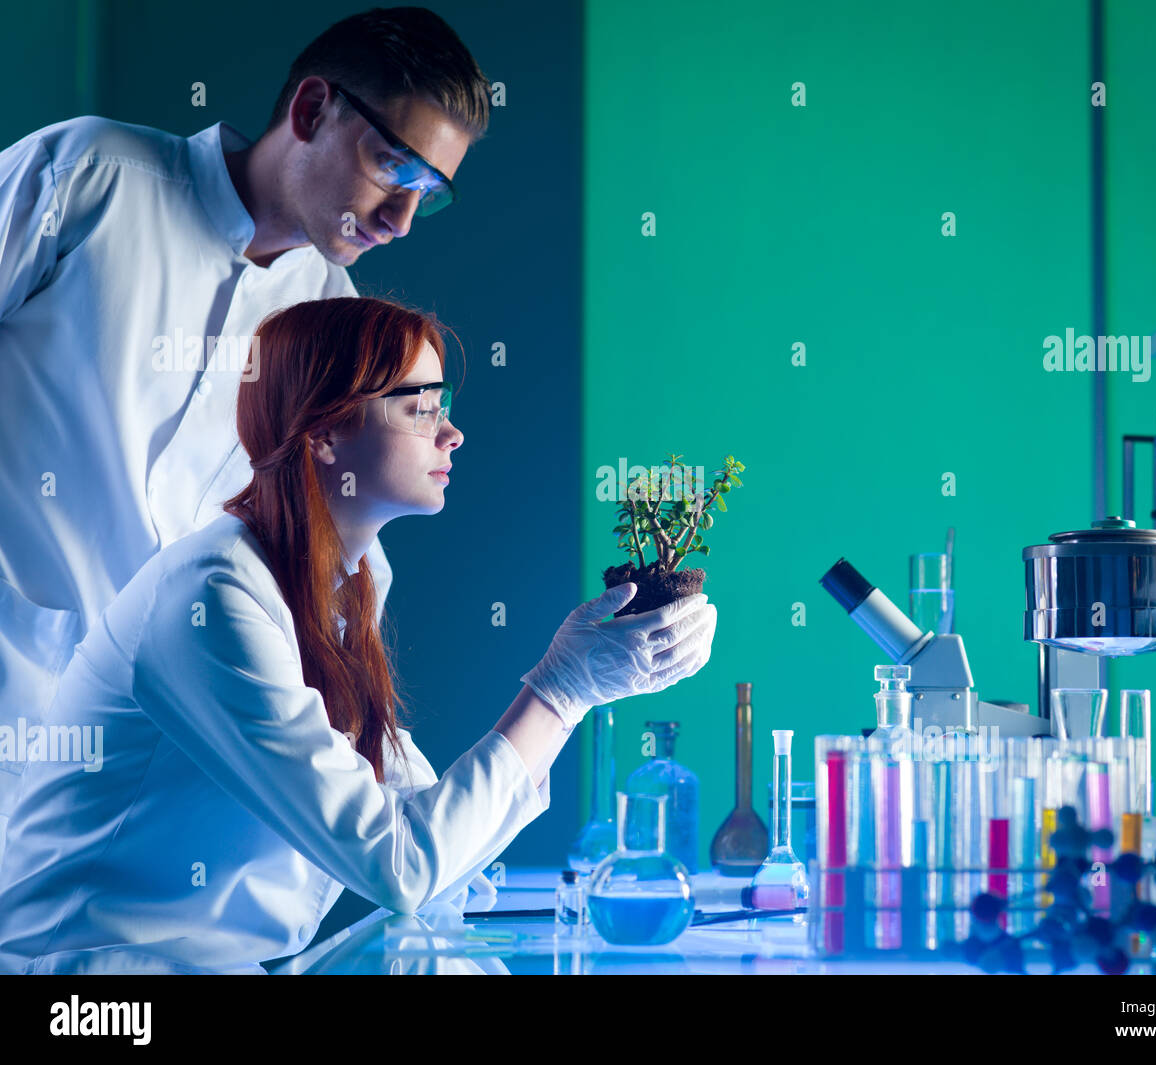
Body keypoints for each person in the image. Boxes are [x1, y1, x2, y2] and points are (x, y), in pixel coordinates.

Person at [0, 296, 718, 975]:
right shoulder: (214, 598)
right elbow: (399, 864)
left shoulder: (341, 587)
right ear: (324, 432)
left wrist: (584, 688)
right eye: (420, 408)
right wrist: (563, 688)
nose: (452, 432)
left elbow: (422, 827)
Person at [0, 7, 488, 867]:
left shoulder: (329, 318)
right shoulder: (91, 175)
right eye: (393, 166)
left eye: (432, 191)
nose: (403, 218)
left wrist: (409, 793)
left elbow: (337, 558)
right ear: (310, 111)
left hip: (131, 765)